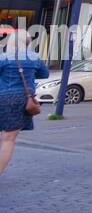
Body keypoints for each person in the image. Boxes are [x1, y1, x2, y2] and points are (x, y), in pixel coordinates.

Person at [0, 28, 50, 178]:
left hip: (2, 97)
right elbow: (45, 74)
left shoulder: (4, 57)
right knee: (9, 139)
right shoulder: (33, 58)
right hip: (22, 100)